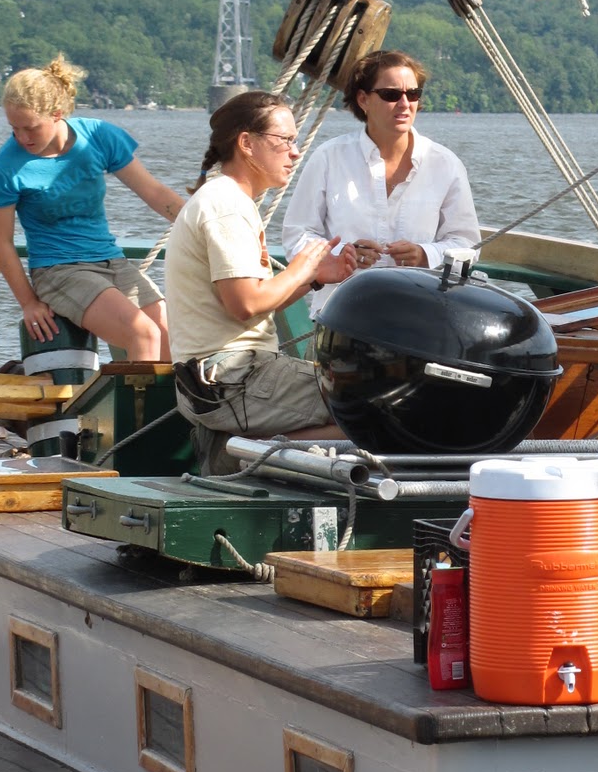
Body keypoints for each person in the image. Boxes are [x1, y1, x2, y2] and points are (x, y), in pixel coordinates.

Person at [164, 91, 335, 472]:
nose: (295, 152)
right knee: (374, 405)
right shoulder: (226, 206)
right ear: (247, 143)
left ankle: (242, 449)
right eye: (285, 141)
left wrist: (315, 279)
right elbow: (244, 303)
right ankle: (247, 451)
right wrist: (300, 268)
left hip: (220, 379)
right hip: (236, 377)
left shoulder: (225, 199)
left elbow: (250, 306)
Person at [0, 55, 184, 360]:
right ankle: (138, 409)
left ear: (57, 114)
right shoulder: (5, 167)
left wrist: (204, 224)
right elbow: (3, 243)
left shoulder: (98, 137)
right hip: (58, 271)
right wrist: (28, 303)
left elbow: (153, 192)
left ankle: (170, 407)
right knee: (143, 332)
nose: (21, 137)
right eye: (13, 128)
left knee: (172, 335)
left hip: (112, 262)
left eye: (30, 128)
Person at [281, 49, 481, 316]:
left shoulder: (446, 164)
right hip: (340, 315)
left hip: (419, 318)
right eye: (390, 95)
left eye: (413, 94)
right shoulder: (329, 158)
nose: (404, 103)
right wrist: (344, 253)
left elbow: (466, 244)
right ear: (363, 99)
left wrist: (425, 254)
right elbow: (297, 235)